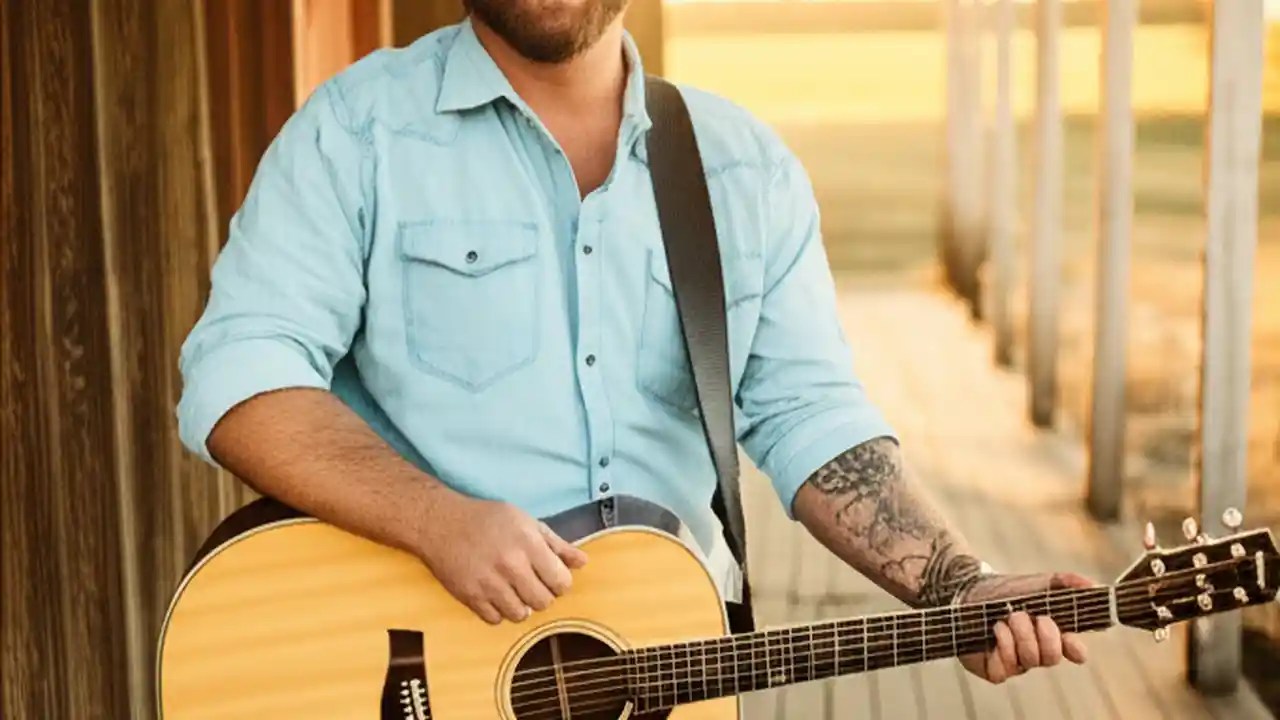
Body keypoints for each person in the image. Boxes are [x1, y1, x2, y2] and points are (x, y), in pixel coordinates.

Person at [177, 0, 1089, 686]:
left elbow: (814, 420)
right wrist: (435, 519)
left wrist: (960, 589)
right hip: (410, 671)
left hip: (665, 678)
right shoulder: (357, 133)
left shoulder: (744, 172)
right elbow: (239, 376)